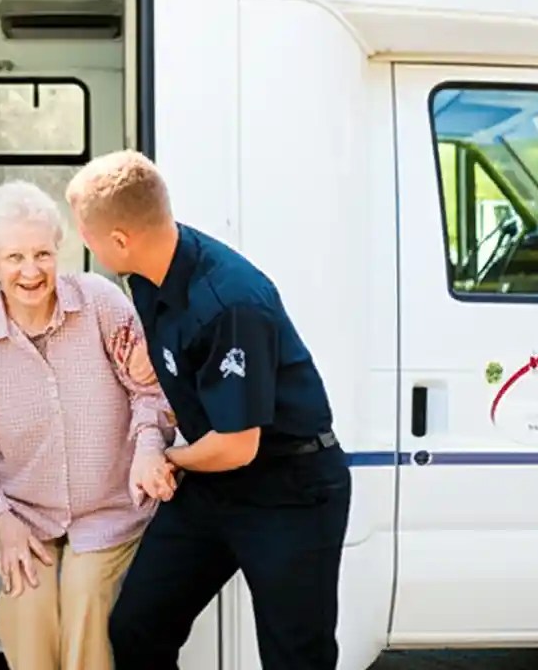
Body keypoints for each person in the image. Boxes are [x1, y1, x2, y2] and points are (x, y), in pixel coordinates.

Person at [64, 150, 353, 670]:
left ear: (121, 240)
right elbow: (178, 357)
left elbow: (237, 446)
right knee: (138, 629)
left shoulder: (229, 302)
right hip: (214, 486)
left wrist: (165, 460)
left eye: (86, 233)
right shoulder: (150, 270)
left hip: (289, 489)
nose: (83, 242)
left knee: (296, 660)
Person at [0, 180, 178, 670]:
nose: (31, 271)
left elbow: (149, 391)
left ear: (59, 249)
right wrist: (1, 521)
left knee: (87, 606)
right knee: (28, 608)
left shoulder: (102, 303)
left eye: (42, 254)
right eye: (14, 258)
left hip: (110, 509)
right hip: (25, 516)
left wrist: (150, 445)